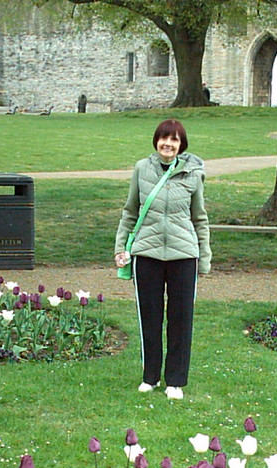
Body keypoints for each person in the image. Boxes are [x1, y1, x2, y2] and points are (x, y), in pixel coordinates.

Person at [115, 118, 210, 400]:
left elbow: (199, 218)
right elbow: (130, 211)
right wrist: (121, 247)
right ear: (156, 141)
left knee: (181, 319)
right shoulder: (142, 169)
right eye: (163, 138)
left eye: (174, 140)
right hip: (147, 253)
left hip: (183, 255)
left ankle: (175, 381)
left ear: (181, 145)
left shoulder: (193, 173)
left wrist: (203, 258)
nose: (168, 144)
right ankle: (150, 376)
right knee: (150, 316)